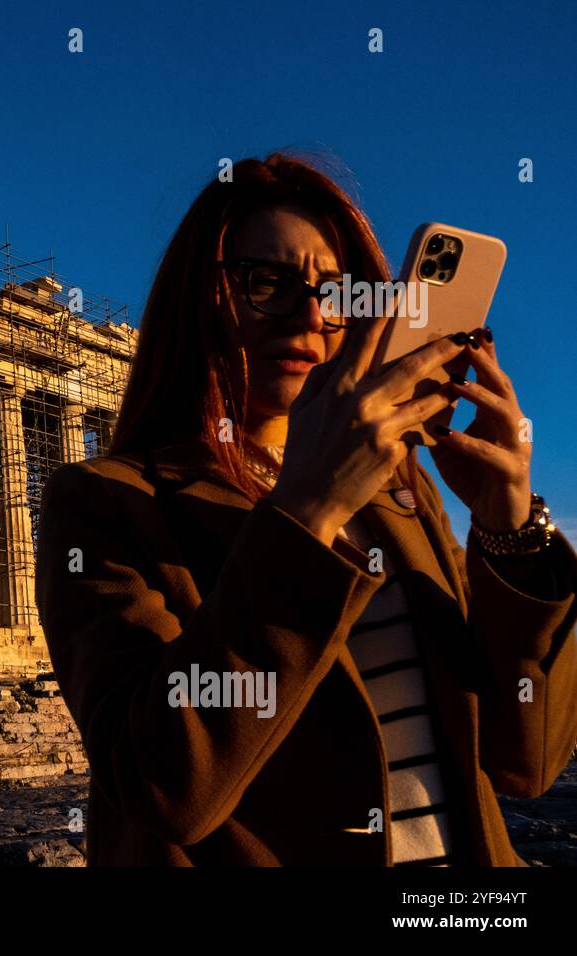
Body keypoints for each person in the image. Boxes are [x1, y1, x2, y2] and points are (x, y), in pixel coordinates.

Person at [34, 153, 577, 866]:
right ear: (199, 298)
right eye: (269, 283)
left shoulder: (401, 497)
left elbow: (525, 762)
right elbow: (164, 784)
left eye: (341, 293)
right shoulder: (106, 502)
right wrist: (309, 510)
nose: (313, 317)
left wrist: (511, 532)